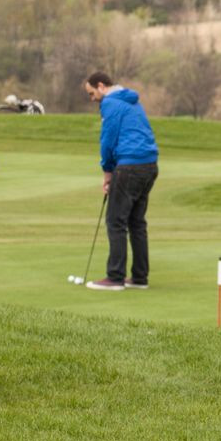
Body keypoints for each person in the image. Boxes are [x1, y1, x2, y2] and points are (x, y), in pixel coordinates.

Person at [83, 70, 159, 291]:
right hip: (149, 164)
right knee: (136, 222)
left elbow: (108, 140)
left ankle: (115, 277)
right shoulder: (131, 100)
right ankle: (139, 277)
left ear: (100, 86)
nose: (92, 99)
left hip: (129, 165)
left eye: (91, 94)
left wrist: (107, 171)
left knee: (116, 221)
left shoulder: (110, 103)